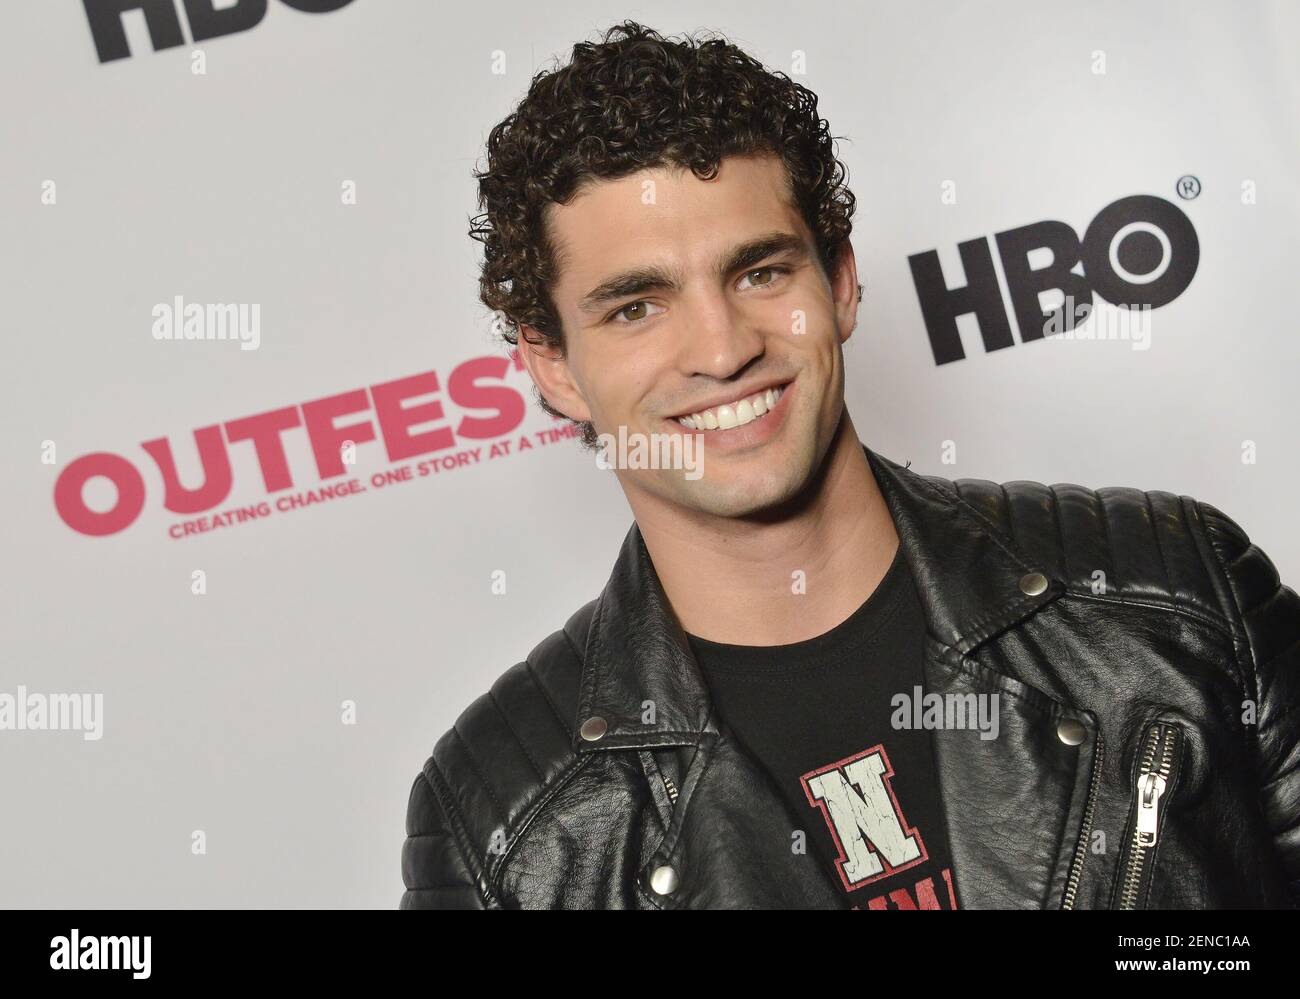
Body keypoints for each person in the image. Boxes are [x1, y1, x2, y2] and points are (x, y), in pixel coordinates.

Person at [400, 20, 1299, 909]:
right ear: (555, 367)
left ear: (838, 285)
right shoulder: (501, 827)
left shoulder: (1175, 597)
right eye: (636, 306)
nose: (720, 350)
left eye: (759, 273)